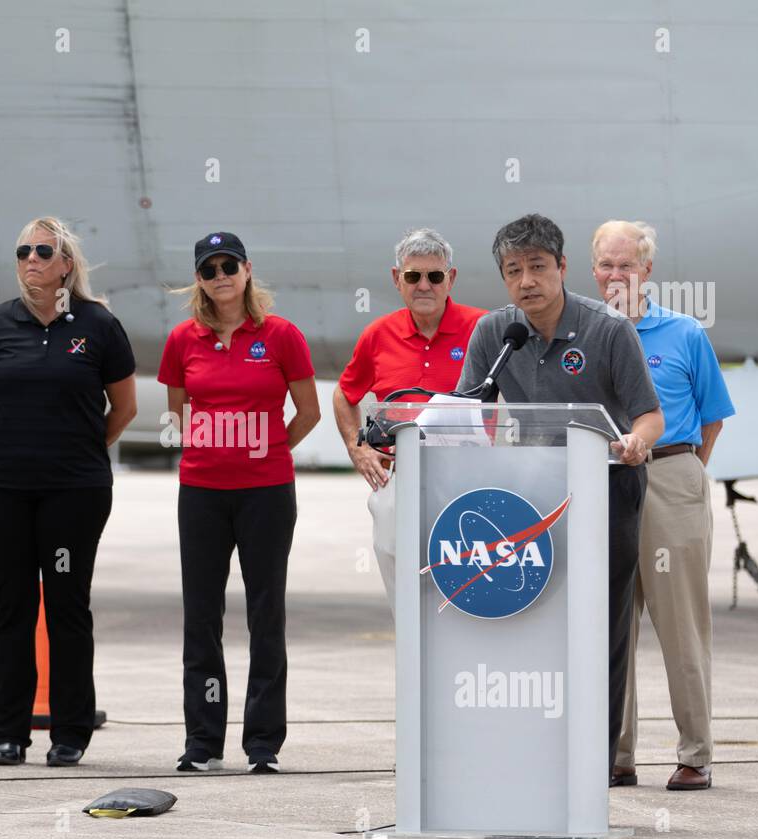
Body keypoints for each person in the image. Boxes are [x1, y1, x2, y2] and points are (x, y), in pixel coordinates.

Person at [458, 213, 663, 781]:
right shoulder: (495, 333)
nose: (527, 281)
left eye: (538, 267)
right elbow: (469, 411)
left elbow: (650, 415)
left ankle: (594, 763)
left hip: (607, 486)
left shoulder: (608, 329)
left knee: (602, 625)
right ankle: (531, 747)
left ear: (563, 268)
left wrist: (635, 443)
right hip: (529, 494)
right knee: (531, 617)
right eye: (513, 270)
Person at [0, 216, 137, 768]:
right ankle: (7, 734)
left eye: (44, 251)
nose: (31, 259)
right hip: (1, 490)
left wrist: (80, 451)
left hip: (74, 492)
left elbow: (124, 408)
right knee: (11, 606)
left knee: (67, 606)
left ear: (66, 264)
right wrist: (12, 448)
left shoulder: (98, 325)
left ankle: (70, 733)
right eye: (22, 251)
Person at [158, 231, 320, 773]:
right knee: (200, 618)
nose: (221, 274)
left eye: (230, 265)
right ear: (199, 280)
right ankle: (202, 743)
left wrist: (268, 449)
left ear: (247, 270)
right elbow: (178, 410)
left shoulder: (280, 335)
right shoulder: (183, 339)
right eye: (210, 268)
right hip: (202, 492)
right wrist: (216, 448)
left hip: (266, 494)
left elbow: (309, 411)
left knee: (264, 615)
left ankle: (262, 745)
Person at [592, 220, 735, 791]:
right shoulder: (585, 335)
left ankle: (695, 753)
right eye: (606, 264)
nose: (616, 275)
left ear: (647, 270)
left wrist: (684, 469)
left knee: (681, 621)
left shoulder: (683, 333)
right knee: (609, 621)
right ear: (593, 270)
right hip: (605, 479)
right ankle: (614, 753)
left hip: (671, 473)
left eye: (627, 264)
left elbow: (713, 414)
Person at [332, 227, 487, 606]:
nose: (424, 286)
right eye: (412, 276)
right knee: (406, 591)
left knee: (467, 587)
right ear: (396, 279)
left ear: (450, 278)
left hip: (471, 479)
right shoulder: (378, 334)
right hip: (401, 478)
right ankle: (413, 661)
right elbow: (344, 394)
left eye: (435, 276)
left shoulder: (483, 328)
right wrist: (359, 449)